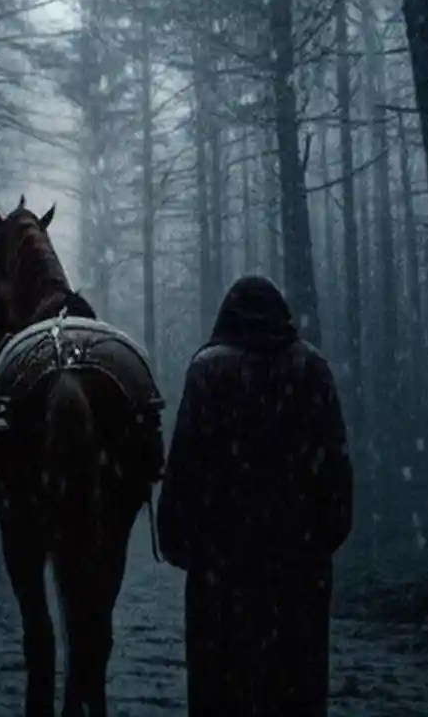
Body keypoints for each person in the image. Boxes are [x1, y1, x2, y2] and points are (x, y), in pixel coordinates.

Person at [158, 275, 353, 717]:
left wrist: (179, 540)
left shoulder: (207, 371)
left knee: (220, 688)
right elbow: (337, 469)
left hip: (222, 569)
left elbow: (185, 463)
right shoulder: (314, 368)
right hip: (298, 567)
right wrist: (321, 539)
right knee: (295, 689)